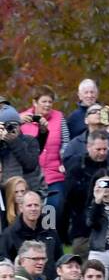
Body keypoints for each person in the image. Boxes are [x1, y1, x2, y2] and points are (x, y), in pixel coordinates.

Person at [18, 85, 66, 217]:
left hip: (54, 173)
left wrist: (63, 161)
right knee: (31, 209)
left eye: (50, 102)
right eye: (44, 101)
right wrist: (18, 123)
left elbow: (66, 142)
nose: (47, 105)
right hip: (30, 175)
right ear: (35, 102)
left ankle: (48, 235)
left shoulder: (59, 117)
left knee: (52, 207)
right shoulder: (21, 118)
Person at [0, 190, 60, 280]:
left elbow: (59, 259)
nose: (33, 209)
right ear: (21, 207)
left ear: (41, 207)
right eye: (29, 205)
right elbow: (4, 264)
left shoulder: (50, 231)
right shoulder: (9, 234)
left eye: (36, 205)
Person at [0, 105, 45, 195]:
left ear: (20, 125)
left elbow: (30, 165)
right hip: (6, 191)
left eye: (15, 125)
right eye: (8, 125)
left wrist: (14, 142)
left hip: (28, 191)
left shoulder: (30, 141)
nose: (12, 129)